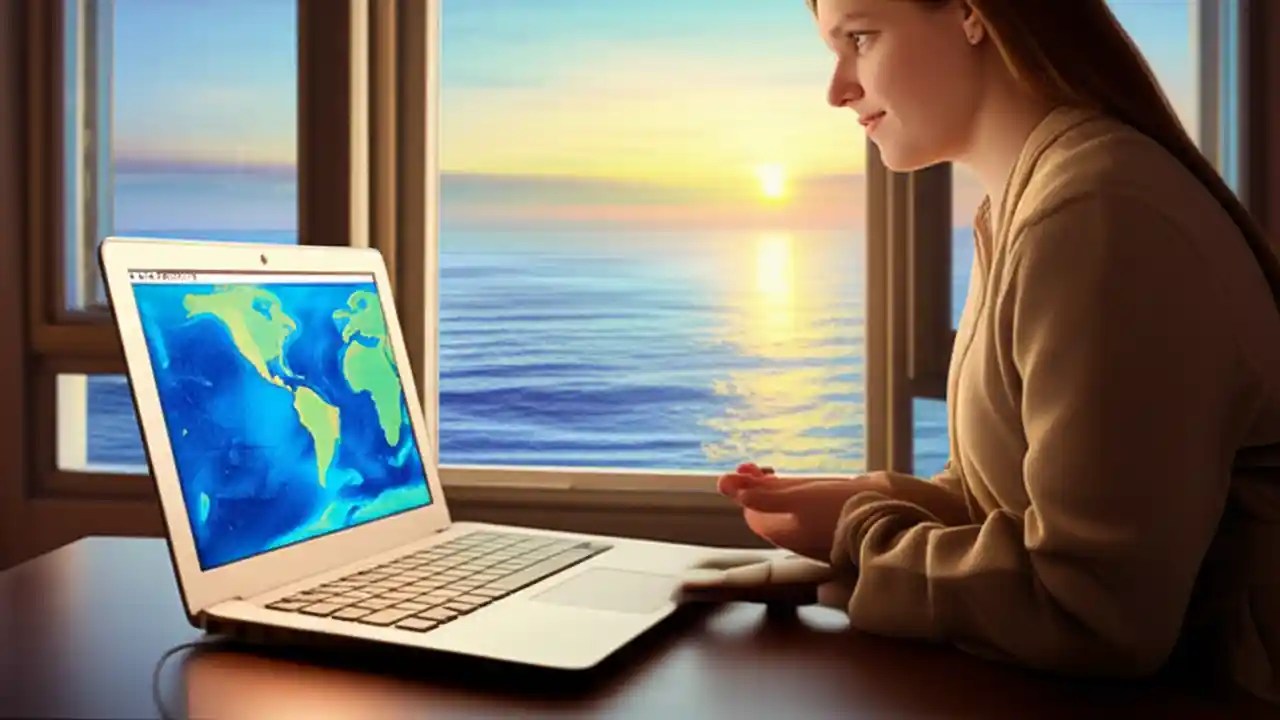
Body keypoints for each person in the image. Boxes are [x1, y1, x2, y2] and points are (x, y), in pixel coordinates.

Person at [681, 0, 1280, 705]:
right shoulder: (1031, 201)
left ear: (971, 13)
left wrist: (859, 536)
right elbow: (1019, 500)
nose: (837, 89)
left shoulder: (1098, 212)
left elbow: (1095, 611)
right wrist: (876, 494)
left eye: (861, 39)